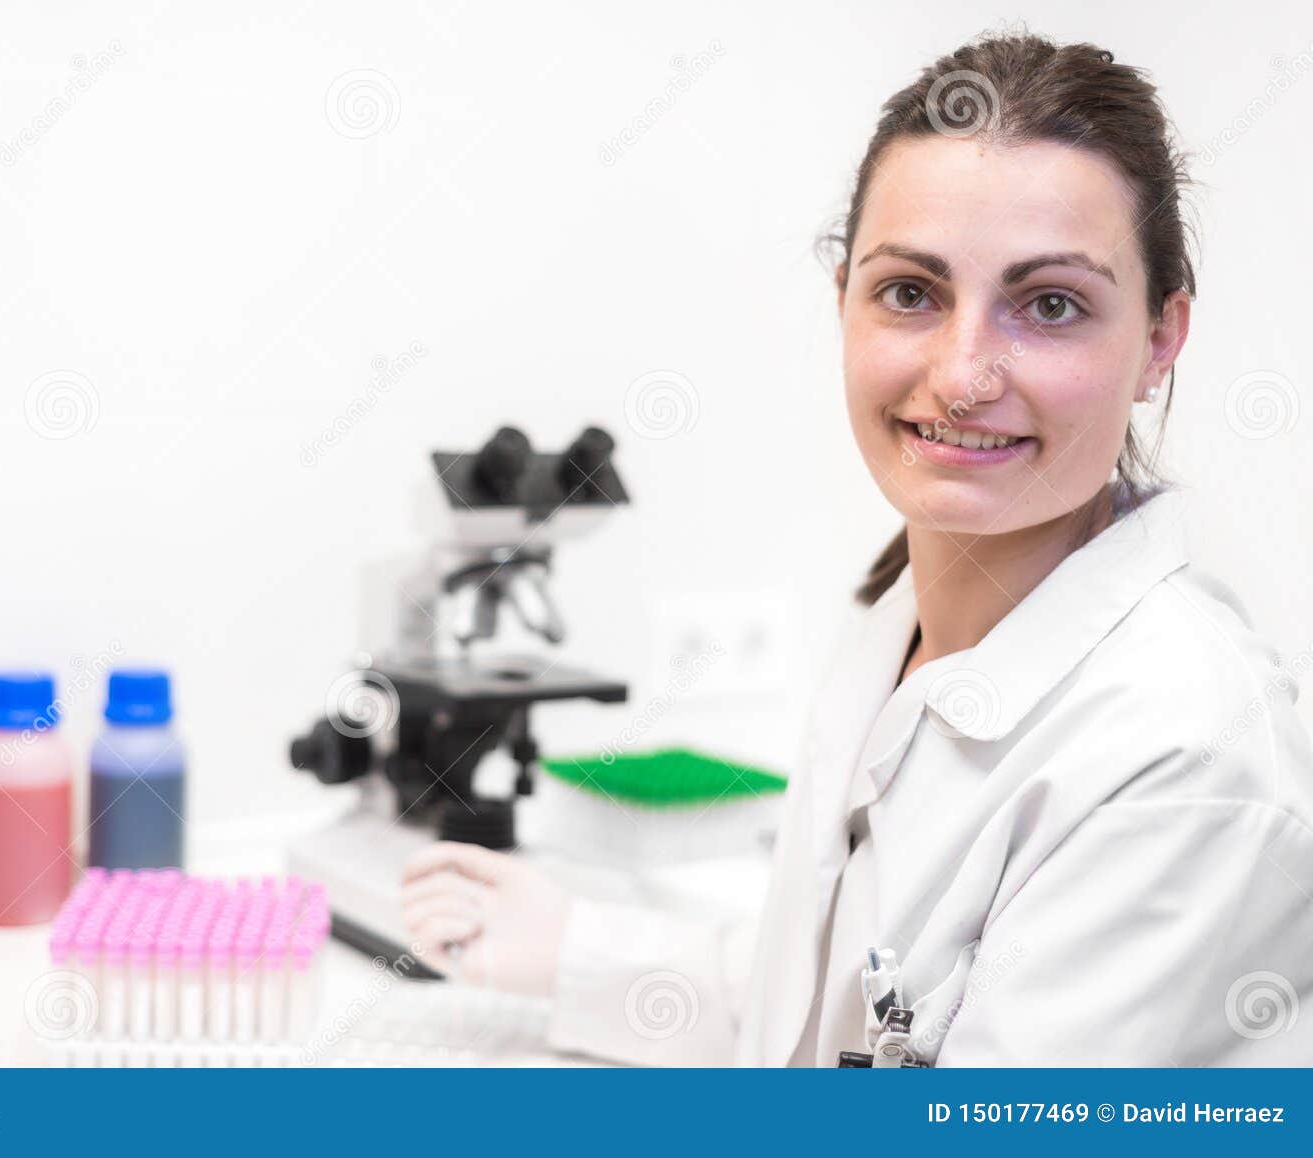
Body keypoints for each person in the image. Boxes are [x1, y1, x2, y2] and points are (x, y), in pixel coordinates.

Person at [398, 32, 1313, 1066]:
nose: (963, 374)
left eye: (1049, 304)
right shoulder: (897, 628)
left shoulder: (1183, 759)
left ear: (1158, 339)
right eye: (911, 293)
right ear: (843, 300)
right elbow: (825, 1016)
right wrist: (578, 953)